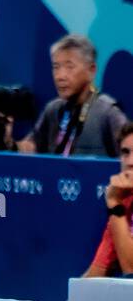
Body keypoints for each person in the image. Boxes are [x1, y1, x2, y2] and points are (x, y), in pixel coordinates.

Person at [18, 34, 127, 157]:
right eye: (56, 67)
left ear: (91, 70)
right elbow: (29, 148)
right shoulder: (53, 110)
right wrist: (11, 143)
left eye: (70, 67)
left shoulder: (108, 113)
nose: (60, 76)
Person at [83, 121, 133, 276]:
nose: (130, 162)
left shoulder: (117, 203)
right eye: (125, 153)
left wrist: (114, 204)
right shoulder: (125, 198)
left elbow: (131, 270)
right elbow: (98, 270)